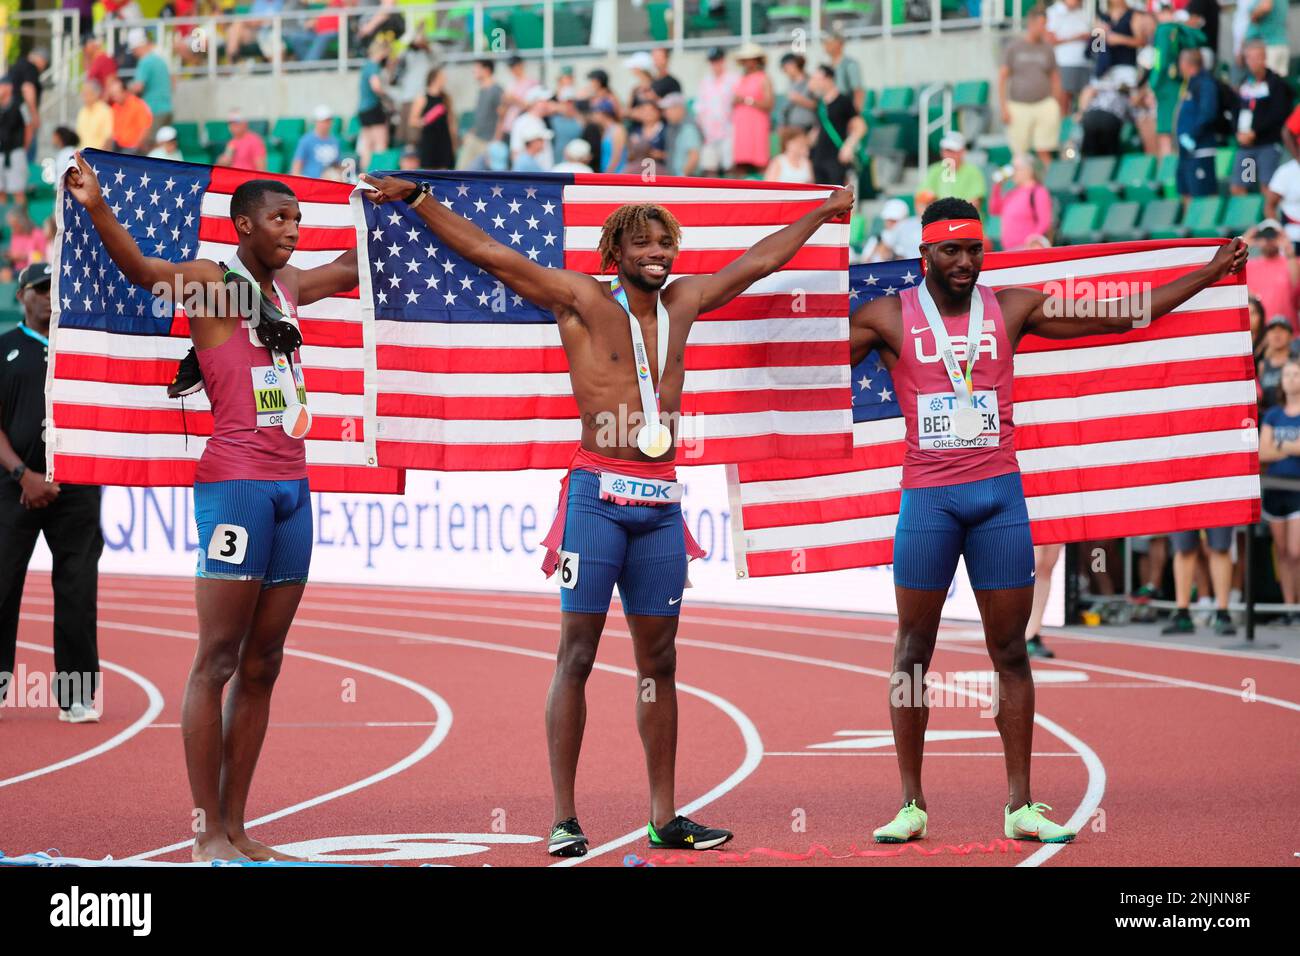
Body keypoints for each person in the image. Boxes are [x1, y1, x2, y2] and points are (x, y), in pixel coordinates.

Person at [357, 167, 855, 858]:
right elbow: (489, 253)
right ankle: (564, 817)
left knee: (661, 662)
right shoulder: (582, 299)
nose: (658, 252)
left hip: (659, 503)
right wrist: (417, 200)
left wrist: (825, 212)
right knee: (578, 654)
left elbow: (760, 261)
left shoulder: (685, 300)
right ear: (617, 253)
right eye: (644, 243)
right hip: (597, 495)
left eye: (665, 243)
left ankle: (664, 815)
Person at [849, 196, 1246, 844]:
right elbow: (805, 369)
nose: (964, 261)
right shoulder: (886, 317)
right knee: (912, 649)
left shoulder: (1012, 308)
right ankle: (911, 804)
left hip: (998, 498)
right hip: (929, 500)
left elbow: (1122, 316)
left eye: (974, 249)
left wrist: (1207, 274)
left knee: (1010, 651)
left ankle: (1020, 805)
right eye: (950, 250)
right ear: (923, 255)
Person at [65, 154, 360, 861]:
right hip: (235, 484)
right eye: (279, 218)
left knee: (265, 662)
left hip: (294, 485)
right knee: (218, 659)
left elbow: (352, 270)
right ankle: (206, 836)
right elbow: (141, 271)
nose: (292, 229)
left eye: (298, 219)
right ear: (243, 224)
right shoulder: (211, 285)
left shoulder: (286, 285)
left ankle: (239, 827)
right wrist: (98, 206)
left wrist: (402, 207)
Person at [0, 262, 104, 723]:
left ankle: (76, 694)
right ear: (21, 296)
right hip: (12, 487)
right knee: (2, 589)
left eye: (54, 289)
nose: (47, 296)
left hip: (77, 487)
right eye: (39, 290)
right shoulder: (4, 349)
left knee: (78, 590)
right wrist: (23, 473)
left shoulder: (82, 347)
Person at [1259, 359, 1300, 621]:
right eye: (1287, 374)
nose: (1291, 378)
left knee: (1297, 551)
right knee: (1283, 552)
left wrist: (1279, 446)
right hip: (1275, 490)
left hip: (1297, 490)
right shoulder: (1273, 414)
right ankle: (1288, 607)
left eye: (1296, 374)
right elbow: (1263, 452)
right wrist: (1290, 446)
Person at [1000, 8, 1066, 167]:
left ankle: (1049, 186)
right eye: (1042, 24)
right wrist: (1004, 107)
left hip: (1044, 103)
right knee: (1019, 153)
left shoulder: (1048, 49)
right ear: (1031, 23)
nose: (1045, 28)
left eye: (1046, 24)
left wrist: (1057, 103)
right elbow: (1002, 78)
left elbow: (1055, 78)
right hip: (1018, 105)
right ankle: (1022, 188)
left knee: (1044, 150)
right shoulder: (1014, 47)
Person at [1233, 40, 1293, 194]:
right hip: (1248, 147)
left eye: (1256, 58)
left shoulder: (1276, 83)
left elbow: (1278, 114)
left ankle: (1268, 217)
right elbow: (1236, 111)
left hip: (1267, 144)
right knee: (1242, 185)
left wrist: (1256, 131)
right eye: (1249, 58)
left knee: (1267, 185)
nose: (1252, 62)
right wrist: (1239, 133)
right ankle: (1245, 217)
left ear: (1264, 58)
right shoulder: (1244, 84)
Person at [1150, 0, 1208, 158]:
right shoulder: (1180, 28)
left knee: (1165, 134)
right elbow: (1201, 38)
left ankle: (1167, 176)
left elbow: (1159, 62)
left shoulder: (1163, 30)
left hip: (1165, 87)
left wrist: (1152, 86)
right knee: (1178, 128)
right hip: (1181, 84)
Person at [1162, 526, 1237, 635]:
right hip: (1185, 508)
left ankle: (1223, 614)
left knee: (1221, 547)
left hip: (1217, 508)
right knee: (1183, 548)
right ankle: (1182, 614)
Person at [1174, 48, 1220, 202]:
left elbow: (1208, 114)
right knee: (1186, 193)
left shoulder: (1205, 84)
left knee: (1203, 196)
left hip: (1200, 149)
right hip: (1186, 151)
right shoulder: (1189, 84)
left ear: (1187, 64)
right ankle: (1189, 226)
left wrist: (1192, 136)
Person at [809, 65, 866, 187]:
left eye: (817, 79)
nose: (814, 82)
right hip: (819, 156)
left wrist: (848, 146)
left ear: (828, 78)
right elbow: (818, 129)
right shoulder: (820, 104)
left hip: (836, 157)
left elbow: (860, 126)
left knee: (838, 195)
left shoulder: (843, 101)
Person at [988, 154, 1053, 250]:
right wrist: (997, 187)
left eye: (1016, 168)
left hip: (1027, 249)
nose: (1013, 172)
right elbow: (994, 210)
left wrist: (1033, 240)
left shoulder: (1038, 191)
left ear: (1028, 170)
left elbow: (1045, 221)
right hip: (1009, 249)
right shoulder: (1012, 193)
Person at [127, 28, 173, 152]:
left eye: (134, 50)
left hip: (153, 110)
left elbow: (138, 87)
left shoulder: (145, 62)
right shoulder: (160, 60)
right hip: (167, 109)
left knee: (150, 148)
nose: (134, 54)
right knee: (164, 147)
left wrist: (127, 90)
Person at [731, 44, 773, 178]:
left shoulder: (763, 78)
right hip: (741, 126)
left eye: (750, 59)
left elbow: (769, 103)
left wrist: (748, 100)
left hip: (757, 125)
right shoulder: (741, 78)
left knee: (760, 161)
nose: (747, 63)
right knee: (740, 163)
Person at [1245, 219, 1299, 325]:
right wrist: (1243, 245)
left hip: (1288, 332)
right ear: (1258, 238)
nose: (1268, 239)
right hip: (1259, 334)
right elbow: (1225, 274)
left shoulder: (1293, 262)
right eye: (1264, 235)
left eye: (1273, 235)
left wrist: (1289, 251)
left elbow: (1297, 286)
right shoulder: (1247, 265)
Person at [696, 47, 738, 177]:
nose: (715, 64)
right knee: (709, 168)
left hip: (729, 132)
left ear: (723, 60)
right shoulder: (705, 81)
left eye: (717, 60)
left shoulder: (734, 79)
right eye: (712, 61)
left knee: (730, 168)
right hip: (709, 134)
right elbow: (700, 107)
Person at [918, 131, 988, 210]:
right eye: (946, 150)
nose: (949, 154)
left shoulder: (974, 172)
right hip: (940, 220)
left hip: (964, 220)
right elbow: (921, 200)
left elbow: (974, 203)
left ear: (963, 152)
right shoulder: (934, 170)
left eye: (953, 151)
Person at [1046, 0, 1094, 108]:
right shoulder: (1053, 12)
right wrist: (1077, 37)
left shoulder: (1083, 13)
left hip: (1085, 63)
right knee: (1063, 101)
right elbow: (1050, 40)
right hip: (1064, 62)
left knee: (1083, 102)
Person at [1076, 75, 1138, 156]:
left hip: (1092, 117)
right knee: (1108, 156)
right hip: (1109, 118)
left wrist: (1081, 112)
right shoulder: (1126, 84)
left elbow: (1088, 92)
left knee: (1091, 155)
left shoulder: (1099, 80)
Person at [458, 59, 503, 170]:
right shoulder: (482, 90)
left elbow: (501, 117)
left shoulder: (496, 90)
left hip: (487, 142)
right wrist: (471, 132)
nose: (474, 71)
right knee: (461, 170)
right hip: (476, 138)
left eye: (477, 68)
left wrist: (495, 142)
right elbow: (481, 118)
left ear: (486, 70)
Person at [7, 47, 48, 162]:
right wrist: (34, 115)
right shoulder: (31, 67)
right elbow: (27, 89)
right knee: (28, 148)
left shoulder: (17, 65)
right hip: (23, 111)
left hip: (10, 114)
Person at [411, 66, 456, 170]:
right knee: (429, 174)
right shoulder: (422, 98)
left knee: (446, 172)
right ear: (434, 79)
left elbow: (451, 122)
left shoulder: (446, 98)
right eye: (442, 77)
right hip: (429, 141)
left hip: (444, 141)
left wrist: (453, 142)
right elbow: (412, 121)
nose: (445, 80)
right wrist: (425, 121)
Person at [357, 39, 392, 172]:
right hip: (373, 108)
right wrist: (387, 96)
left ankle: (365, 173)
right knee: (380, 144)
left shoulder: (366, 65)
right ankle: (380, 173)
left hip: (363, 109)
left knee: (367, 145)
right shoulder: (373, 66)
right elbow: (376, 86)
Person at [104, 74, 153, 155]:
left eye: (116, 94)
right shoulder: (115, 107)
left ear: (125, 92)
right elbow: (113, 131)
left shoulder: (138, 105)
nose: (114, 97)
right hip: (118, 147)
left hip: (133, 149)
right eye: (113, 95)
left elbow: (145, 128)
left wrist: (136, 147)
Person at [290, 105, 342, 178]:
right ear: (316, 122)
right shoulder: (306, 140)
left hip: (330, 181)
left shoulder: (335, 141)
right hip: (312, 181)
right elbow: (297, 164)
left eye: (328, 121)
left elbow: (337, 164)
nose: (326, 124)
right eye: (324, 121)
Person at [0, 79, 28, 208]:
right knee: (1, 191)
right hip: (1, 153)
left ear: (9, 87)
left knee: (18, 190)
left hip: (16, 151)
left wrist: (24, 146)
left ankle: (22, 224)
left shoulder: (20, 104)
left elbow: (28, 126)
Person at [1244, 0, 1290, 77]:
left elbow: (1266, 7)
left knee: (1269, 83)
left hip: (1269, 47)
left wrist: (1253, 16)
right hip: (1281, 43)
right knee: (1279, 84)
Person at [823, 29, 865, 113]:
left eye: (829, 43)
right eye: (825, 43)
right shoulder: (828, 66)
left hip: (845, 111)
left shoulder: (850, 64)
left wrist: (856, 114)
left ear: (839, 44)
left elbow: (858, 91)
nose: (826, 46)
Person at [1257, 313, 1294, 407]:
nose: (1277, 334)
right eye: (1273, 330)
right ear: (1267, 336)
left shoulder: (1297, 362)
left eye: (1281, 330)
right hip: (1267, 418)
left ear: (1290, 336)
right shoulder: (1262, 365)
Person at [660, 93, 702, 178]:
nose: (665, 114)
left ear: (679, 109)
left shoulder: (688, 128)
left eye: (668, 109)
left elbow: (694, 157)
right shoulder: (675, 128)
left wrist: (681, 178)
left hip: (686, 181)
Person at [872, 197, 923, 261]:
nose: (890, 223)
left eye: (894, 220)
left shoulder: (913, 237)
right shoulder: (877, 238)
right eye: (888, 220)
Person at [778, 53, 818, 133]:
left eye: (786, 68)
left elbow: (818, 105)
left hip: (808, 126)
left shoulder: (810, 82)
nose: (785, 72)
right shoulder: (790, 84)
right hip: (792, 127)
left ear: (794, 65)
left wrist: (800, 99)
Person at [75, 79, 114, 152]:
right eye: (83, 93)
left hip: (98, 156)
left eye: (87, 93)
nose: (83, 95)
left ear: (96, 94)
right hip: (82, 155)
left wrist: (99, 156)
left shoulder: (105, 110)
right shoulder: (82, 111)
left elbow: (109, 137)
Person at [6, 207, 47, 271]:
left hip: (32, 270)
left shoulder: (37, 233)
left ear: (23, 223)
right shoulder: (15, 235)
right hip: (17, 269)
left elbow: (44, 255)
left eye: (15, 225)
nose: (12, 229)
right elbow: (13, 253)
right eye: (11, 226)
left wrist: (25, 256)